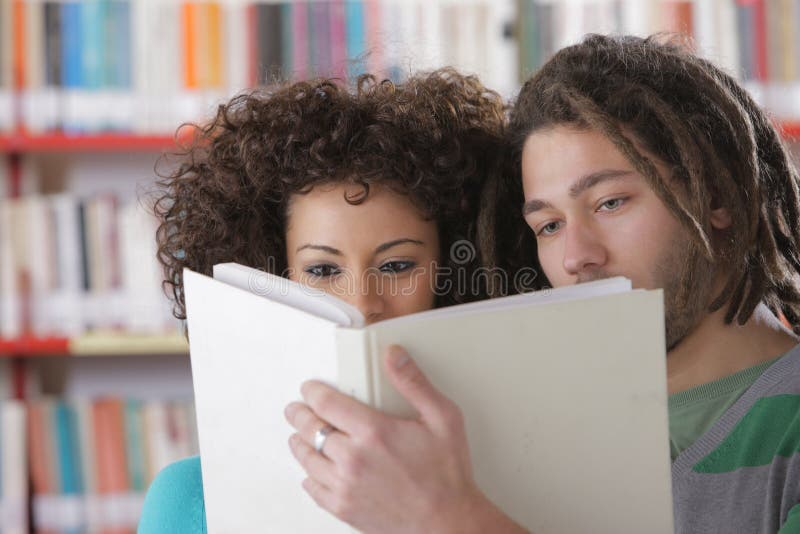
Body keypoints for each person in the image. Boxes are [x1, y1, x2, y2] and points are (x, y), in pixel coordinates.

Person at [286, 35, 800, 533]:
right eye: (549, 226)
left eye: (610, 203)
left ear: (717, 196)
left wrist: (447, 521)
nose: (577, 257)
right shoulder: (531, 434)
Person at [136, 69, 508, 533]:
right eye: (323, 271)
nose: (362, 303)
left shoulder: (515, 480)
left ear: (452, 271)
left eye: (396, 266)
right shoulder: (191, 501)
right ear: (274, 273)